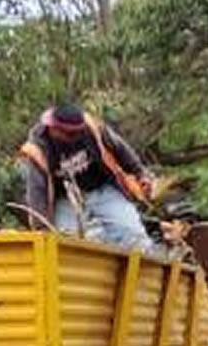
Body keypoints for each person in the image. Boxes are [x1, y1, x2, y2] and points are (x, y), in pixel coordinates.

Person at [14, 103, 155, 250]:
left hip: (102, 189)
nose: (78, 136)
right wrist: (42, 229)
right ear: (54, 128)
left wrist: (140, 173)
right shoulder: (38, 148)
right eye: (71, 134)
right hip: (65, 200)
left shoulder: (91, 127)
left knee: (134, 236)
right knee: (64, 245)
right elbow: (37, 192)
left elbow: (120, 149)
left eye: (80, 132)